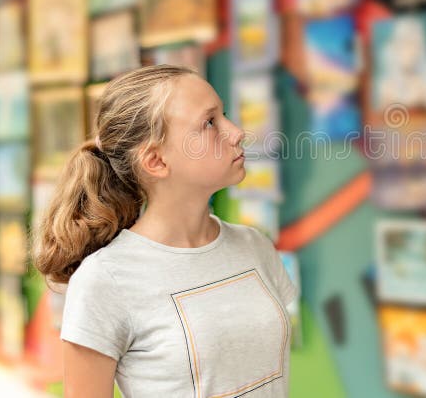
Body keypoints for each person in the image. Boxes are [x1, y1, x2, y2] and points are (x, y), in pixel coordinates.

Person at [32, 64, 298, 398]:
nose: (236, 132)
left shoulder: (255, 246)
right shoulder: (105, 279)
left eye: (224, 115)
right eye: (209, 122)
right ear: (156, 161)